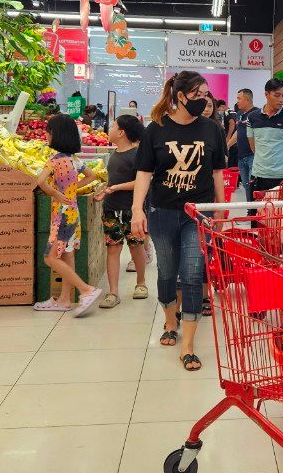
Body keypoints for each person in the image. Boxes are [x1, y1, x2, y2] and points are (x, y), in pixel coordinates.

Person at [131, 70, 226, 372]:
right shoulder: (155, 129)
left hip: (199, 212)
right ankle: (169, 320)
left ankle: (187, 344)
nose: (203, 100)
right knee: (168, 271)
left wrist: (221, 207)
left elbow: (217, 173)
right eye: (197, 95)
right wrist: (137, 210)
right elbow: (144, 173)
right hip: (162, 211)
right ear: (180, 96)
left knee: (193, 272)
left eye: (206, 95)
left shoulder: (212, 129)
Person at [34, 113, 104, 317]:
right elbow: (92, 176)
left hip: (61, 215)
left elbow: (40, 182)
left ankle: (86, 290)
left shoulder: (54, 160)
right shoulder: (74, 160)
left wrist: (56, 193)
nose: (46, 135)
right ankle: (64, 299)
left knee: (49, 258)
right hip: (73, 213)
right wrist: (72, 189)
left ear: (55, 134)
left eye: (48, 131)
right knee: (67, 255)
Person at [94, 114, 149, 307]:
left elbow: (141, 182)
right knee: (113, 248)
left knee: (136, 246)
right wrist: (105, 190)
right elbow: (112, 181)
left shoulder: (137, 155)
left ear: (121, 132)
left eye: (113, 126)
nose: (109, 130)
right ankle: (113, 292)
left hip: (131, 210)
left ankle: (141, 283)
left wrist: (116, 188)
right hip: (111, 209)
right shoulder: (114, 155)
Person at [245, 78, 283, 199]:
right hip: (259, 175)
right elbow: (253, 146)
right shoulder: (252, 118)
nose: (281, 99)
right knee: (257, 215)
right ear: (266, 94)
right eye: (277, 95)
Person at [229, 88, 260, 192]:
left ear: (247, 99)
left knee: (254, 186)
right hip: (241, 157)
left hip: (253, 156)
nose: (237, 101)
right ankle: (250, 208)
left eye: (239, 98)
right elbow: (238, 133)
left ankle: (255, 208)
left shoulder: (257, 114)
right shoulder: (239, 114)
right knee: (247, 186)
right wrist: (227, 146)